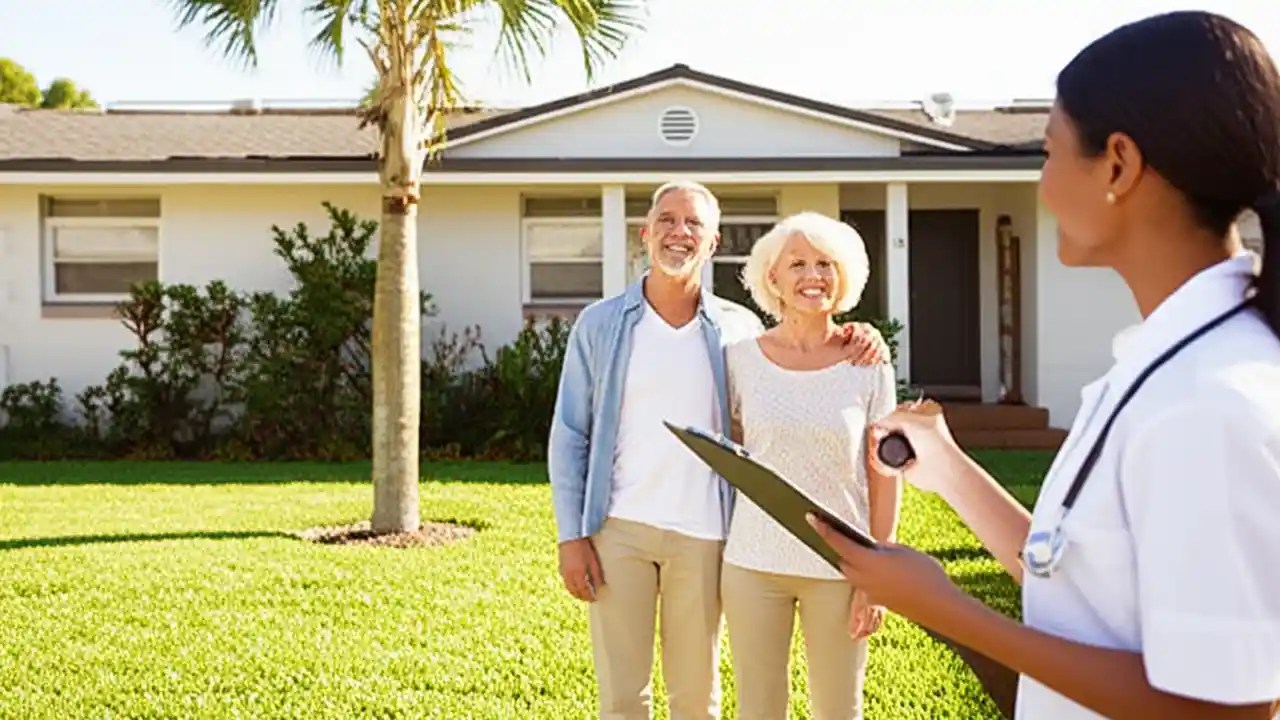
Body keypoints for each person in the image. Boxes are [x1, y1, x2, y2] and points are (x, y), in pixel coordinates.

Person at [807, 10, 1280, 720]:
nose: (1041, 184)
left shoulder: (1208, 400)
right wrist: (950, 471)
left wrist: (947, 609)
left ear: (1117, 164)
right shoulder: (1160, 367)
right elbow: (1083, 584)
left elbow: (1220, 709)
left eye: (1051, 153)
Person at [547, 180, 889, 720]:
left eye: (694, 225)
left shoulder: (738, 331)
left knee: (696, 700)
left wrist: (857, 334)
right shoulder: (601, 325)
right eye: (667, 220)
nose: (679, 233)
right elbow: (570, 433)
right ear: (645, 233)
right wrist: (573, 536)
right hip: (619, 529)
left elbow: (797, 369)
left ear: (713, 244)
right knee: (621, 698)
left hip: (706, 535)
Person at [720, 211, 900, 720]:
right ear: (772, 278)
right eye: (797, 263)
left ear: (843, 276)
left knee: (839, 710)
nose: (812, 276)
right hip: (753, 563)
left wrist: (877, 573)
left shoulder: (868, 362)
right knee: (758, 710)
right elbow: (728, 449)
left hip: (840, 567)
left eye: (824, 263)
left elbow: (883, 476)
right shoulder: (739, 359)